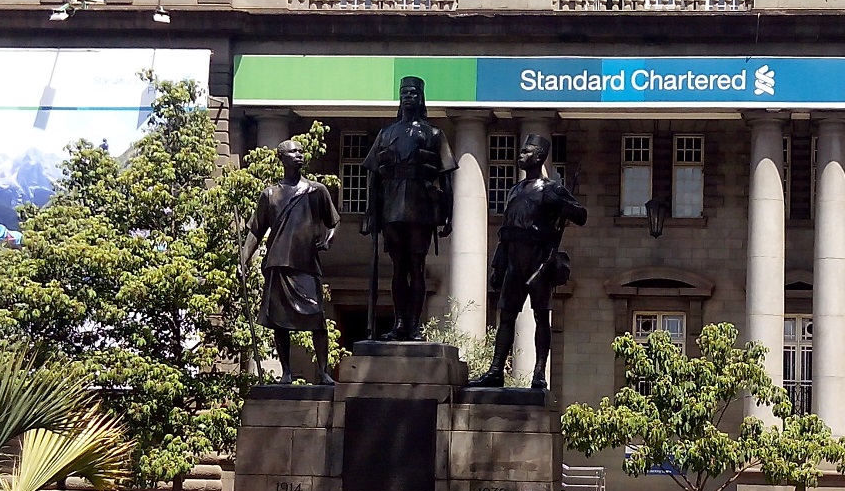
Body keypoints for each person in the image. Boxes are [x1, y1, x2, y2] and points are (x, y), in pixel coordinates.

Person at [468, 134, 587, 389]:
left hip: (538, 259)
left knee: (541, 316)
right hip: (513, 259)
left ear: (540, 157)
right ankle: (496, 369)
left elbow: (581, 215)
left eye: (526, 151)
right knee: (506, 315)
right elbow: (505, 231)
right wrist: (497, 265)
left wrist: (561, 205)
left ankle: (539, 371)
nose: (520, 155)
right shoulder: (515, 190)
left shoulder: (552, 188)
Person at [360, 76, 456, 341]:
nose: (408, 97)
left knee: (417, 266)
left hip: (420, 205)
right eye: (404, 93)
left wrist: (449, 215)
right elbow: (373, 178)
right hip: (391, 206)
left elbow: (446, 178)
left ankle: (414, 324)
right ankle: (399, 322)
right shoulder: (386, 134)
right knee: (398, 268)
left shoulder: (434, 134)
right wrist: (371, 215)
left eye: (413, 93)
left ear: (421, 98)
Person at [239, 139, 340, 384]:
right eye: (293, 152)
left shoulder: (317, 191)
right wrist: (243, 260)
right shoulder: (270, 194)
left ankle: (323, 371)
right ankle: (286, 372)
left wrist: (327, 240)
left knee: (317, 319)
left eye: (301, 151)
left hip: (306, 263)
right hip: (278, 262)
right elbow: (256, 231)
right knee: (279, 322)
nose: (299, 155)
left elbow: (334, 222)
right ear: (282, 158)